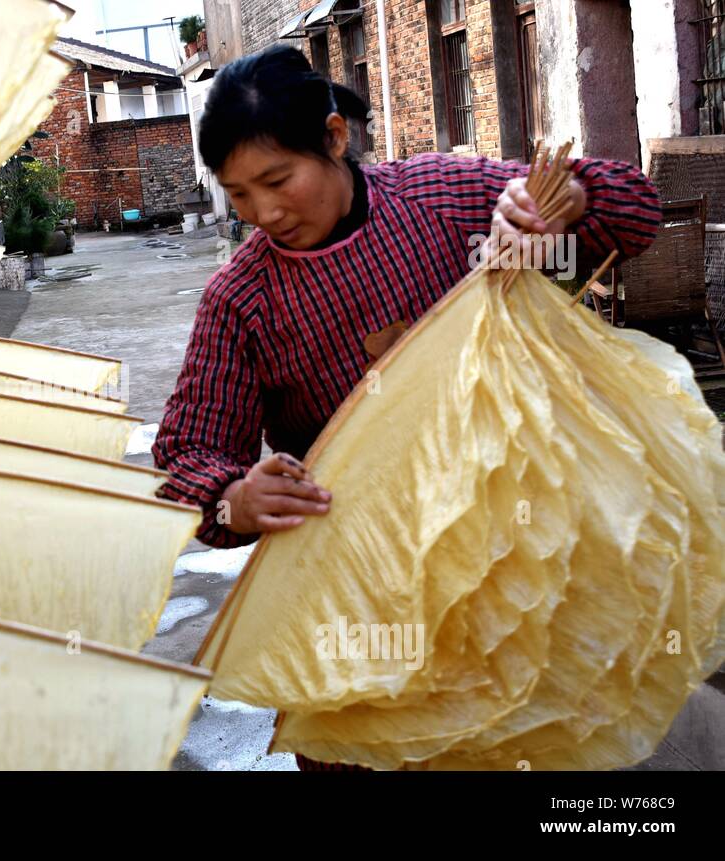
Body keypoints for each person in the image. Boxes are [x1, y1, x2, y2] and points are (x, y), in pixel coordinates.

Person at [151, 44, 662, 771]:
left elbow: (634, 208)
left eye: (276, 179)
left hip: (504, 560)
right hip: (358, 590)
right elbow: (187, 458)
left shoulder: (445, 200)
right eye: (238, 194)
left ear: (334, 139)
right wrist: (236, 495)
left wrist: (567, 204)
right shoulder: (242, 299)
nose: (262, 211)